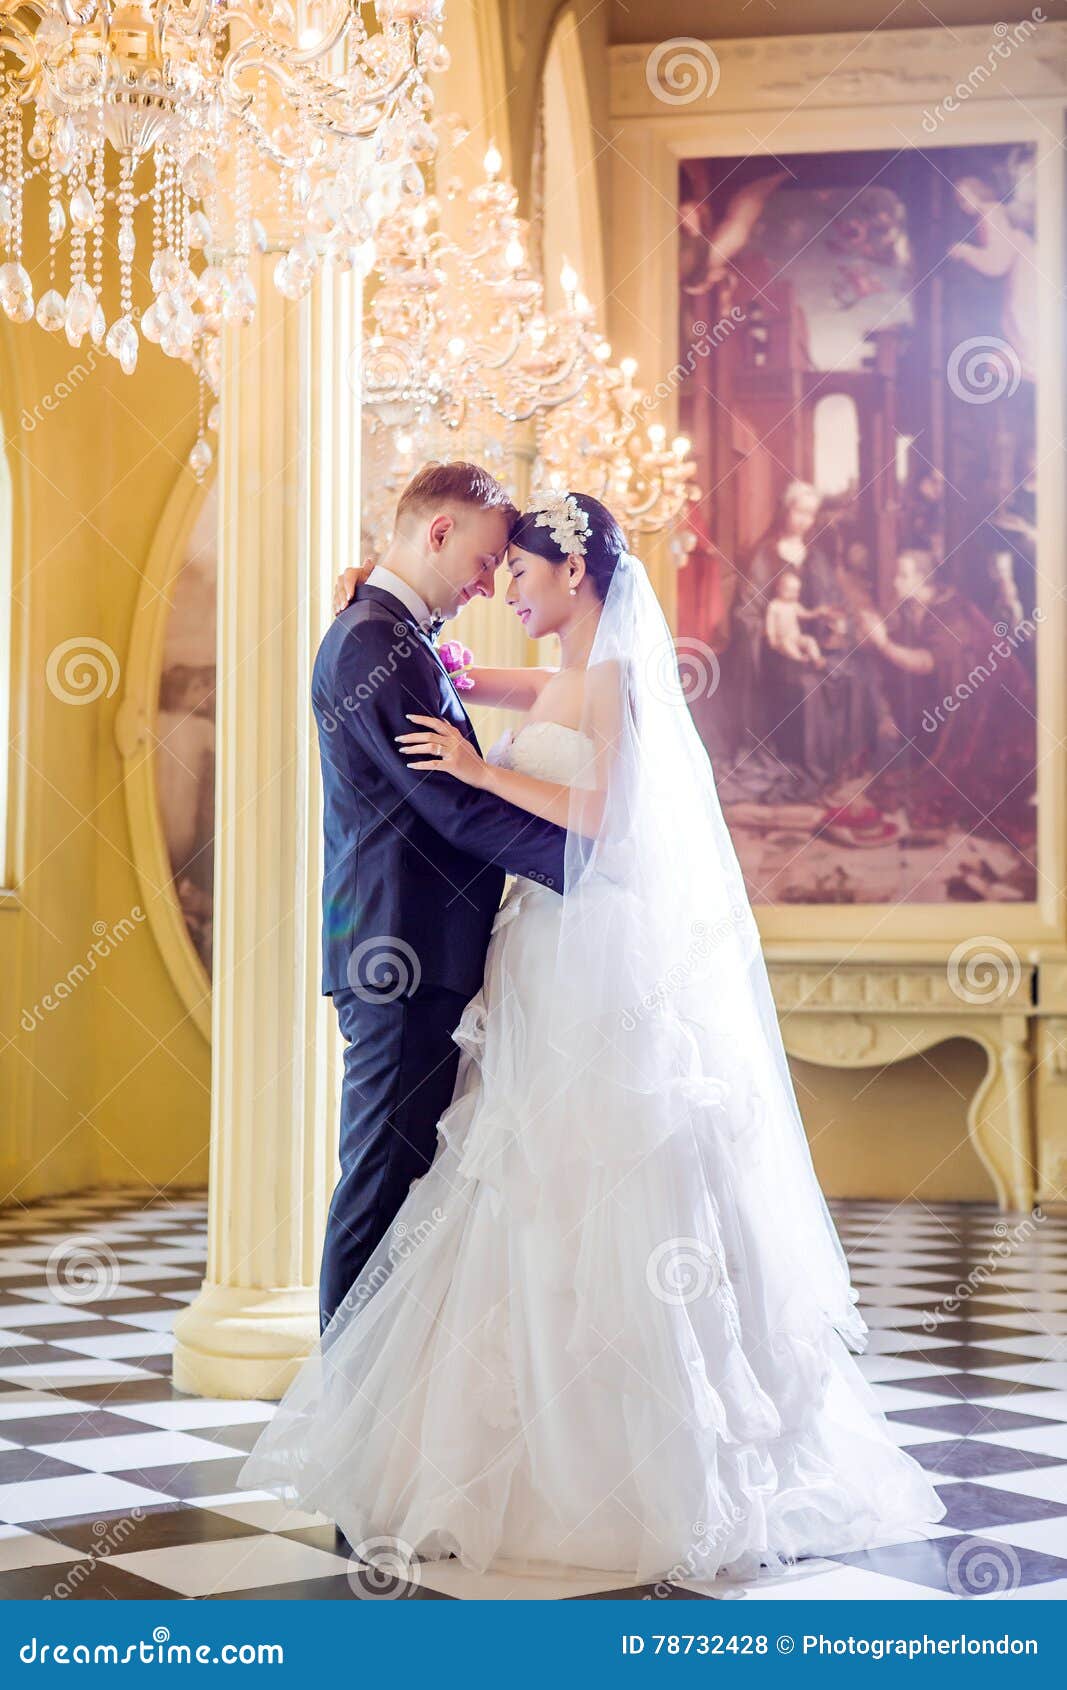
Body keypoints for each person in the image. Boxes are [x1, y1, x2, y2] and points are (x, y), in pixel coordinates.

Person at [238, 490, 946, 1584]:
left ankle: (546, 1451)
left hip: (574, 943)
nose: (498, 589)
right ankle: (379, 1433)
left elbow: (597, 810)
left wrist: (480, 769)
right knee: (463, 1180)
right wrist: (383, 624)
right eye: (488, 566)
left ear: (573, 576)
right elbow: (475, 688)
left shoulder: (608, 672)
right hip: (502, 946)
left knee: (566, 1175)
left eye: (514, 573)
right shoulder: (502, 657)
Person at [310, 461, 566, 1337]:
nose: (491, 584)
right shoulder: (373, 640)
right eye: (487, 560)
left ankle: (372, 1416)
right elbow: (452, 807)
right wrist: (598, 866)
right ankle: (342, 1409)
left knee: (406, 1180)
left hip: (417, 953)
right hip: (398, 955)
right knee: (379, 1186)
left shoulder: (387, 633)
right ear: (439, 532)